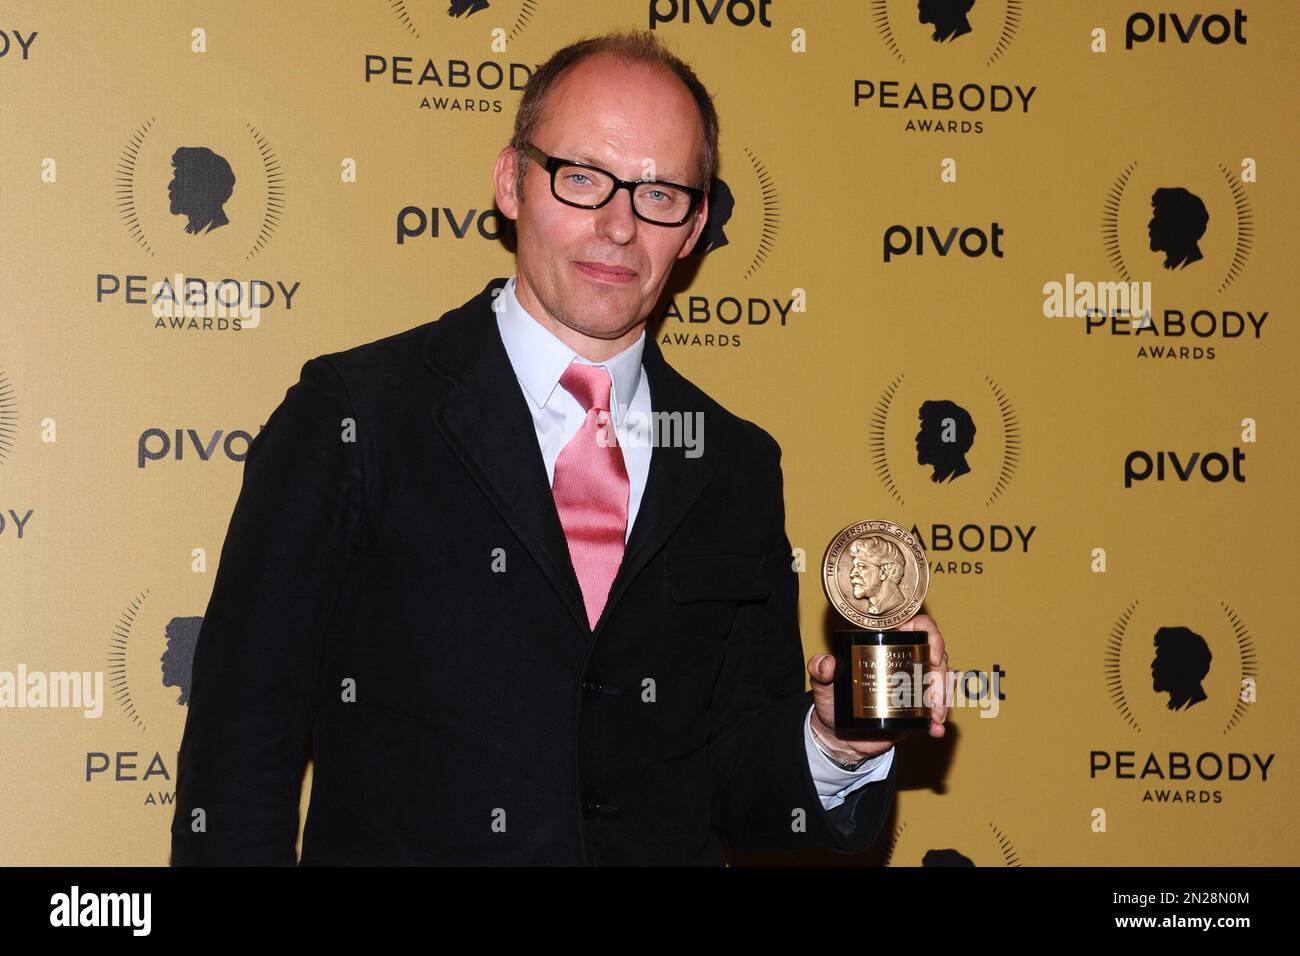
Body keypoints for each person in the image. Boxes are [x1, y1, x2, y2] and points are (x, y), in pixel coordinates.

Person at [170, 29, 949, 866]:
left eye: (660, 194)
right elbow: (242, 747)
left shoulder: (736, 464)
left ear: (694, 228)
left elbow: (737, 781)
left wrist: (834, 744)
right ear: (512, 181)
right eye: (581, 178)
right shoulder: (357, 416)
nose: (619, 227)